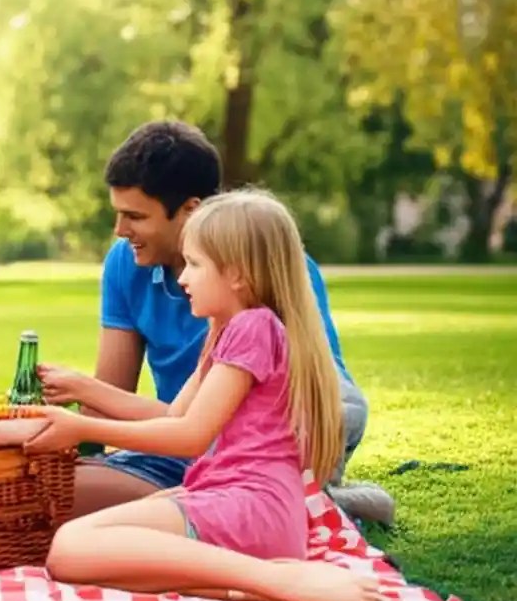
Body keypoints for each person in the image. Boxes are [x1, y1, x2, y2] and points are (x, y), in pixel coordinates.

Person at [0, 189, 388, 601]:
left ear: (237, 275)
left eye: (196, 264)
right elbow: (171, 417)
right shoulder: (228, 329)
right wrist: (43, 418)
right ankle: (257, 582)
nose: (183, 278)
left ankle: (281, 582)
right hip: (245, 506)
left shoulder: (253, 327)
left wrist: (81, 429)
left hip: (251, 509)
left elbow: (189, 437)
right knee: (105, 561)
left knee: (70, 547)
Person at [38, 120, 393, 525]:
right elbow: (176, 420)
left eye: (134, 216)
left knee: (67, 514)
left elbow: (315, 405)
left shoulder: (265, 281)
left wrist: (79, 427)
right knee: (52, 498)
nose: (120, 231)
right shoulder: (142, 275)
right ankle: (317, 502)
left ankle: (319, 501)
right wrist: (74, 409)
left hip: (268, 446)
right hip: (192, 440)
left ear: (191, 210)